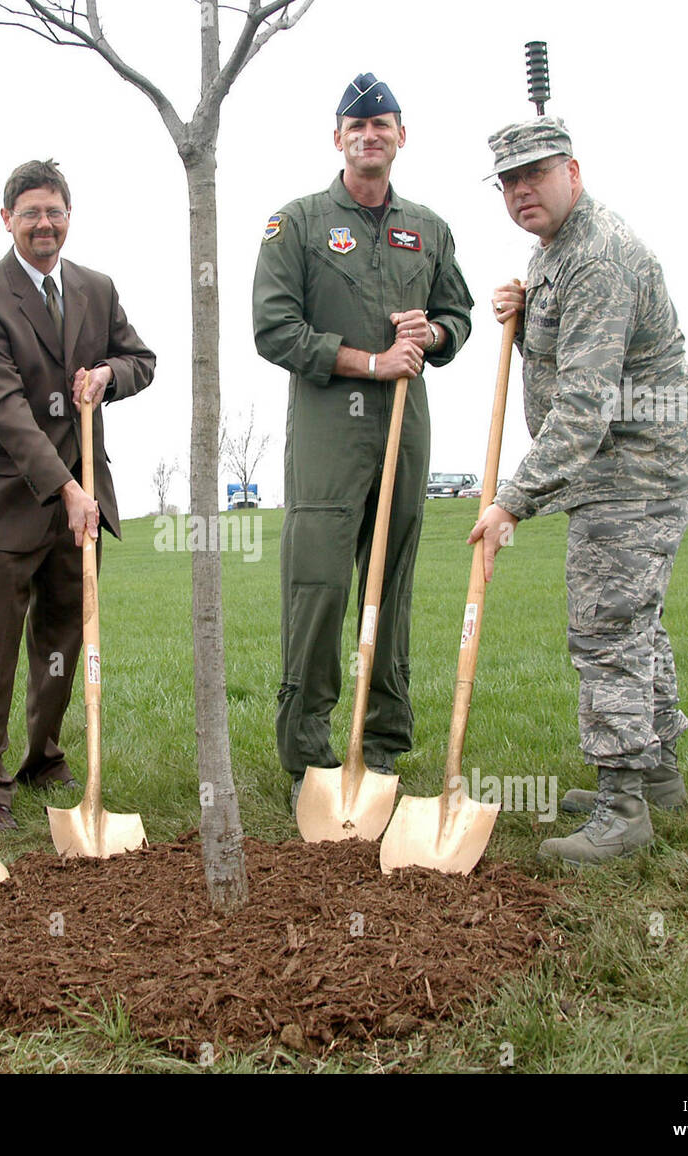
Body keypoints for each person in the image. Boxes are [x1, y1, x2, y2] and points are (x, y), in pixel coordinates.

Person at [470, 117, 688, 865]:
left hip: (633, 469)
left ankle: (623, 808)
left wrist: (512, 498)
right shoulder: (557, 252)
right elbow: (558, 336)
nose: (520, 191)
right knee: (638, 620)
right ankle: (657, 771)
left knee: (607, 627)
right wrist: (526, 304)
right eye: (507, 181)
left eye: (533, 174)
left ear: (573, 170)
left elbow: (584, 408)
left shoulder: (599, 257)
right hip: (617, 467)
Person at [252, 73, 473, 809]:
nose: (369, 134)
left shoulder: (430, 229)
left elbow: (458, 315)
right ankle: (308, 754)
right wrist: (368, 360)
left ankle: (381, 745)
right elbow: (274, 329)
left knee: (393, 584)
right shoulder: (299, 224)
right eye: (356, 125)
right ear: (337, 137)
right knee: (318, 583)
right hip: (328, 429)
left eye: (382, 124)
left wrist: (433, 332)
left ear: (401, 136)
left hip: (406, 427)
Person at [0, 159, 155, 832]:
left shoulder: (97, 289)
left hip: (83, 497)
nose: (45, 223)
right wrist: (65, 489)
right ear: (6, 218)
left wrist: (107, 375)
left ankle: (41, 757)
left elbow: (141, 360)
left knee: (64, 638)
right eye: (31, 212)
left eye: (55, 211)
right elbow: (3, 408)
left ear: (70, 217)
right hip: (8, 497)